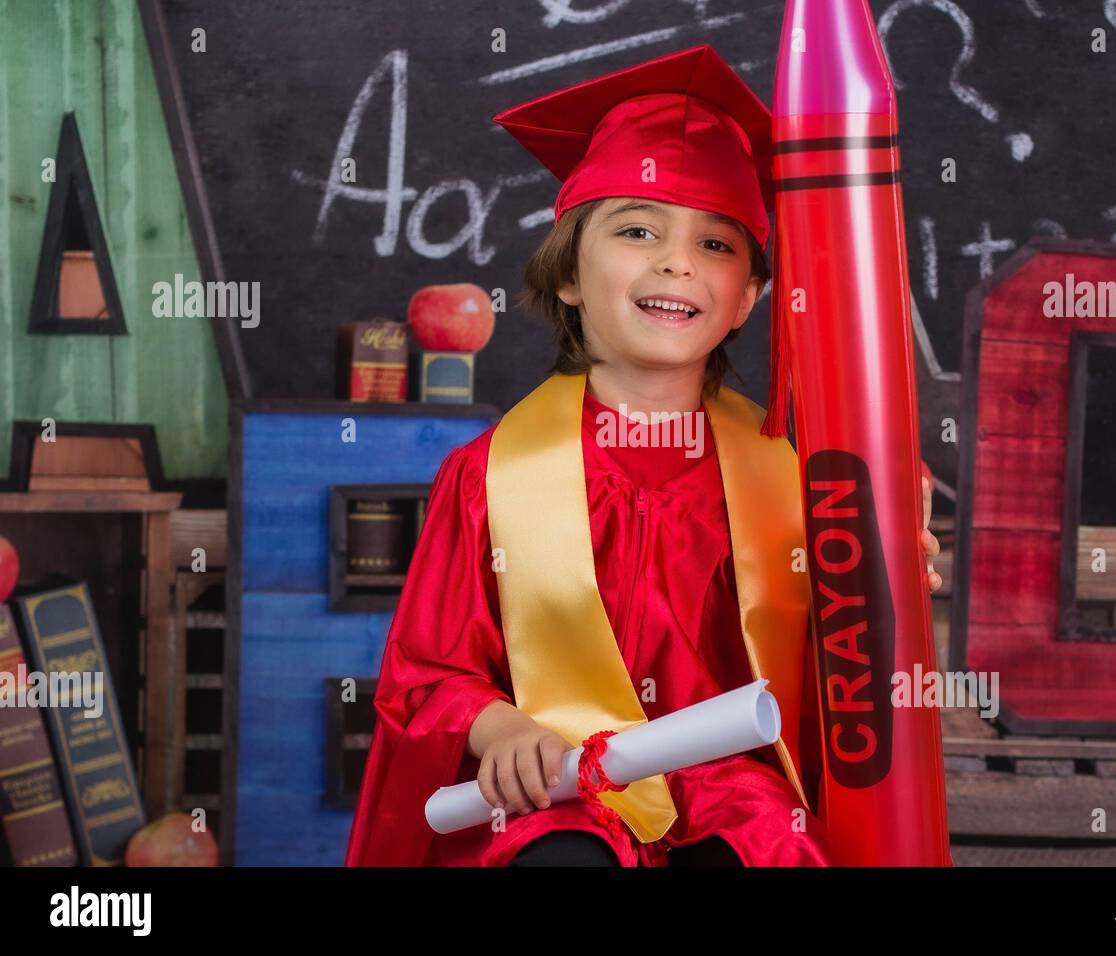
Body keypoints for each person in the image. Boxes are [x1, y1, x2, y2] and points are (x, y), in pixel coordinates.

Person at [344, 44, 941, 867]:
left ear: (747, 302)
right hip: (560, 791)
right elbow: (426, 674)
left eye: (717, 246)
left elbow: (837, 672)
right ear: (567, 277)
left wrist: (882, 581)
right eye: (637, 230)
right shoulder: (489, 477)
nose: (677, 261)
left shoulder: (794, 481)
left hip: (735, 792)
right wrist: (503, 727)